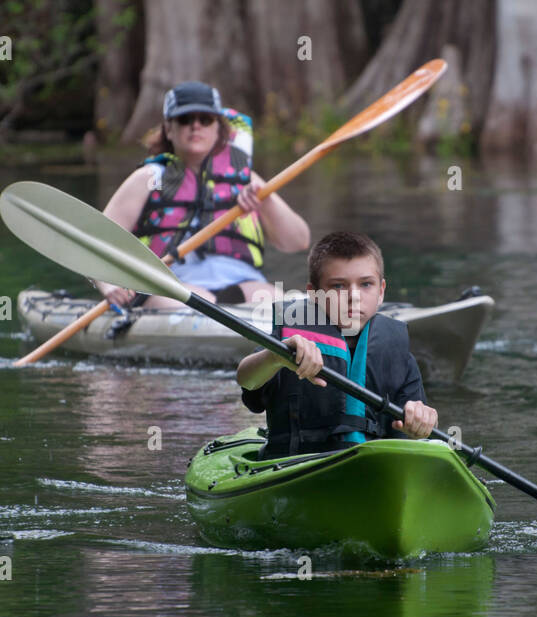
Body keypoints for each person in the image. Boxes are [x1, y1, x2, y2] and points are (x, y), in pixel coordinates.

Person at [94, 81, 310, 311]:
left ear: (218, 128)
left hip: (241, 280)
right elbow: (96, 242)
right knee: (196, 302)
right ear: (169, 129)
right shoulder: (147, 179)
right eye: (185, 119)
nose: (195, 126)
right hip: (172, 284)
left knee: (283, 304)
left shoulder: (247, 180)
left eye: (205, 120)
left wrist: (266, 201)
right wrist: (108, 286)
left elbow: (298, 241)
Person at [236, 231, 438, 459]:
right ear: (314, 294)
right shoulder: (289, 343)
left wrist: (422, 419)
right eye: (339, 286)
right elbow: (247, 380)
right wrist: (276, 357)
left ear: (381, 291)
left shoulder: (399, 355)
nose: (354, 296)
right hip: (295, 469)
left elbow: (415, 428)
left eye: (366, 284)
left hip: (373, 469)